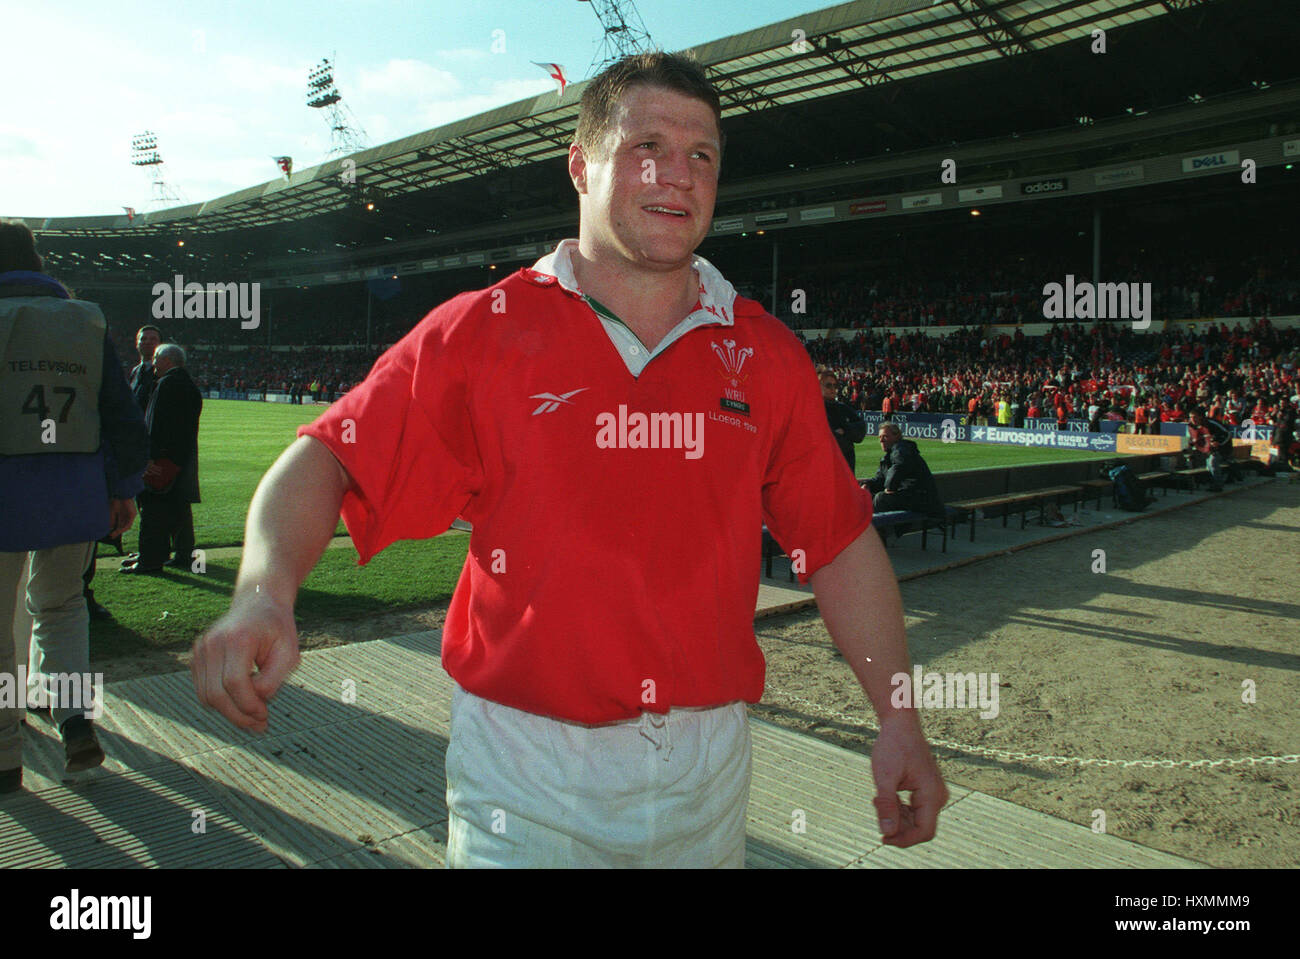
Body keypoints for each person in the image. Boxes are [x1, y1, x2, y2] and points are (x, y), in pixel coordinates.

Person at [191, 52, 946, 867]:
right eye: (648, 146)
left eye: (703, 156)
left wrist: (899, 715)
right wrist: (262, 593)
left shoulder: (765, 354)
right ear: (581, 169)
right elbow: (328, 458)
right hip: (525, 771)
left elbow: (836, 543)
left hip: (707, 769)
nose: (680, 175)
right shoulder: (481, 331)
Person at [0, 219, 148, 789]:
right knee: (60, 607)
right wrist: (123, 489)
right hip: (73, 487)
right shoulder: (85, 319)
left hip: (6, 491)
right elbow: (121, 414)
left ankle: (5, 754)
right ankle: (75, 721)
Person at [123, 344, 203, 574]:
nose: (154, 362)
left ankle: (150, 560)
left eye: (157, 358)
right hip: (181, 458)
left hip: (163, 461)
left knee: (153, 510)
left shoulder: (167, 384)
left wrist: (150, 458)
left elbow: (156, 426)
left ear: (168, 360)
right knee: (179, 508)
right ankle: (182, 555)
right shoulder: (188, 385)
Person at [864, 422, 944, 516]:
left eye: (885, 436)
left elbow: (899, 466)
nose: (881, 440)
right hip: (909, 496)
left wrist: (890, 488)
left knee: (880, 498)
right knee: (869, 497)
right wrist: (867, 485)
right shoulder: (888, 458)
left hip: (920, 498)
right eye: (879, 437)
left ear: (896, 436)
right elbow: (879, 479)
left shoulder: (901, 449)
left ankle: (878, 529)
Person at [820, 369, 866, 474]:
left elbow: (861, 430)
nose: (833, 389)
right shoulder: (814, 409)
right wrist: (845, 435)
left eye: (835, 385)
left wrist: (844, 430)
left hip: (846, 466)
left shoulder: (842, 408)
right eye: (828, 385)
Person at [1188, 407, 1233, 492]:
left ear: (1201, 417)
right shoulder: (1193, 425)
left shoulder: (1211, 423)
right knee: (1207, 464)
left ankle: (1218, 486)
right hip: (1209, 449)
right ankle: (1210, 483)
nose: (1192, 419)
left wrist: (1218, 442)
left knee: (1213, 462)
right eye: (1190, 417)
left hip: (1223, 448)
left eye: (1195, 417)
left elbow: (1227, 434)